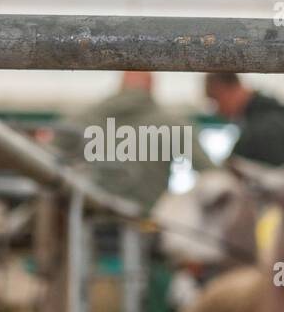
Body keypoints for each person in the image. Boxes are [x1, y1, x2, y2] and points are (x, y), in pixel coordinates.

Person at [50, 71, 186, 209]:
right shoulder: (172, 124)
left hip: (88, 216)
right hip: (148, 221)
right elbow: (207, 173)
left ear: (121, 84)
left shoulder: (82, 119)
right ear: (151, 85)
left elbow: (47, 155)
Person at [203, 72, 284, 171]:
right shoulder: (262, 116)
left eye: (215, 99)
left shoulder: (266, 123)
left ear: (226, 88)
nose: (218, 110)